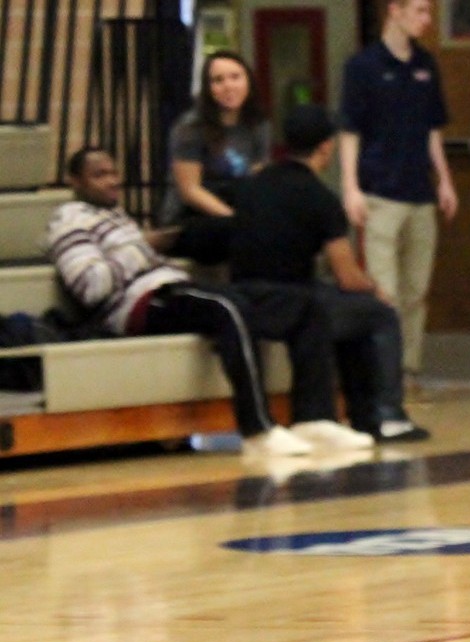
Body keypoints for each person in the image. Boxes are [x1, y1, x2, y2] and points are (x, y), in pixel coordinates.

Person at [45, 146, 356, 459]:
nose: (112, 181)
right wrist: (142, 246)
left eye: (114, 173)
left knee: (305, 305)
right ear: (75, 181)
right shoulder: (68, 222)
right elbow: (90, 286)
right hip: (140, 304)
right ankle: (257, 430)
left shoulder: (114, 216)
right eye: (99, 175)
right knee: (228, 309)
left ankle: (315, 418)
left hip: (174, 288)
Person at [229, 105, 430, 444]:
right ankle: (385, 415)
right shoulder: (320, 197)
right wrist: (374, 288)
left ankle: (362, 415)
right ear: (327, 146)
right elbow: (348, 277)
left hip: (244, 297)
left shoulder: (253, 184)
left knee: (347, 308)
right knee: (376, 313)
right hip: (292, 303)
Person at [339, 0, 458, 388]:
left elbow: (432, 130)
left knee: (415, 291)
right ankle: (381, 373)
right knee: (384, 291)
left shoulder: (425, 65)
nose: (426, 20)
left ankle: (408, 370)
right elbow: (350, 131)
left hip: (419, 192)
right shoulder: (363, 67)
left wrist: (444, 179)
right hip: (379, 192)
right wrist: (351, 187)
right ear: (395, 10)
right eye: (420, 11)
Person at [158, 51, 271, 263]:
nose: (228, 86)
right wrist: (235, 220)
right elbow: (191, 191)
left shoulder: (258, 124)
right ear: (208, 89)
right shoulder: (190, 127)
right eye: (218, 80)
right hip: (192, 216)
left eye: (235, 77)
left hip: (236, 207)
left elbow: (259, 177)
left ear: (248, 80)